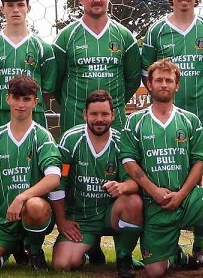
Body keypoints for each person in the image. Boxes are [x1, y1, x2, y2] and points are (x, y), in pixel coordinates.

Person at [118, 58, 203, 278]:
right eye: (158, 80)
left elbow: (200, 161)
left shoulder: (190, 120)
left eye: (169, 80)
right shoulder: (135, 121)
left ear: (177, 85)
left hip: (187, 198)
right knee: (154, 272)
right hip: (154, 204)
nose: (163, 84)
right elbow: (129, 161)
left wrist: (182, 194)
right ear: (149, 84)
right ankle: (175, 255)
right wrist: (154, 191)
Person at [141, 0, 203, 267]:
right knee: (168, 177)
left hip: (199, 116)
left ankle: (199, 246)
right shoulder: (155, 31)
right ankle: (171, 246)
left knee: (196, 180)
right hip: (164, 119)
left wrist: (198, 101)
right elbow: (148, 74)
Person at [0, 75, 61, 271]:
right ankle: (13, 247)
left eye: (26, 99)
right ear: (7, 98)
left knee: (34, 205)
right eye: (16, 98)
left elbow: (54, 178)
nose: (21, 104)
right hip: (4, 218)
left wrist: (22, 198)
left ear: (35, 102)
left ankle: (34, 249)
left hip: (33, 213)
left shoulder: (42, 136)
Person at [50, 90, 143, 278]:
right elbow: (59, 183)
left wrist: (123, 187)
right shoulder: (71, 140)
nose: (99, 119)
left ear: (113, 115)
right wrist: (62, 222)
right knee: (62, 264)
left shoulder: (121, 141)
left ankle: (124, 257)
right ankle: (89, 248)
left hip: (110, 214)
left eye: (104, 114)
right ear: (85, 114)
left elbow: (135, 181)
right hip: (81, 218)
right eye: (94, 114)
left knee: (133, 201)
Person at [53, 0, 141, 132]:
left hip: (115, 123)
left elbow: (133, 79)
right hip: (75, 119)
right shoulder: (65, 37)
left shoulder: (125, 36)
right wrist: (74, 102)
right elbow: (55, 81)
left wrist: (115, 102)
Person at [0, 0, 56, 134]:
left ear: (28, 8)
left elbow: (47, 89)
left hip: (33, 114)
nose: (15, 10)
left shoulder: (43, 48)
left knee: (35, 156)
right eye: (10, 5)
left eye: (20, 5)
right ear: (2, 8)